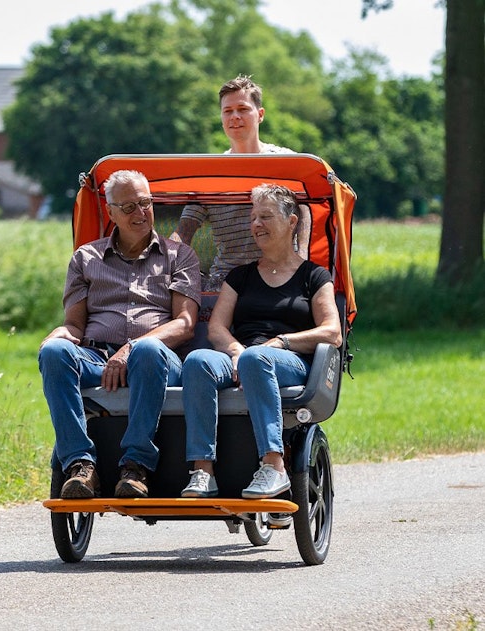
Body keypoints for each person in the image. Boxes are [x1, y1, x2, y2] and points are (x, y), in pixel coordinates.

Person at [39, 169, 201, 499]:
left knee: (147, 351)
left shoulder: (179, 255)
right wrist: (59, 334)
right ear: (110, 212)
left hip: (156, 361)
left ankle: (135, 466)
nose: (140, 213)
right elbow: (75, 325)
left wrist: (132, 347)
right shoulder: (85, 258)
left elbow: (185, 323)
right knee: (54, 353)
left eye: (145, 203)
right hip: (97, 357)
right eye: (128, 207)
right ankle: (80, 466)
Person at [179, 183, 342, 500]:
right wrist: (236, 351)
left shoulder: (314, 276)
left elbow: (331, 332)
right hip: (243, 355)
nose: (256, 224)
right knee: (198, 361)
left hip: (290, 360)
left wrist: (281, 342)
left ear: (291, 222)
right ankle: (203, 471)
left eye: (265, 217)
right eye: (253, 218)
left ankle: (274, 465)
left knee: (257, 358)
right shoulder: (240, 276)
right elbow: (217, 328)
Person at [171, 75, 311, 291]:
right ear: (221, 118)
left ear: (260, 115)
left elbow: (304, 210)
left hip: (281, 275)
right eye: (228, 111)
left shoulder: (285, 161)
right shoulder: (211, 173)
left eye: (243, 109)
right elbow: (185, 229)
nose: (235, 116)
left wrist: (301, 258)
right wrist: (166, 258)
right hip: (225, 280)